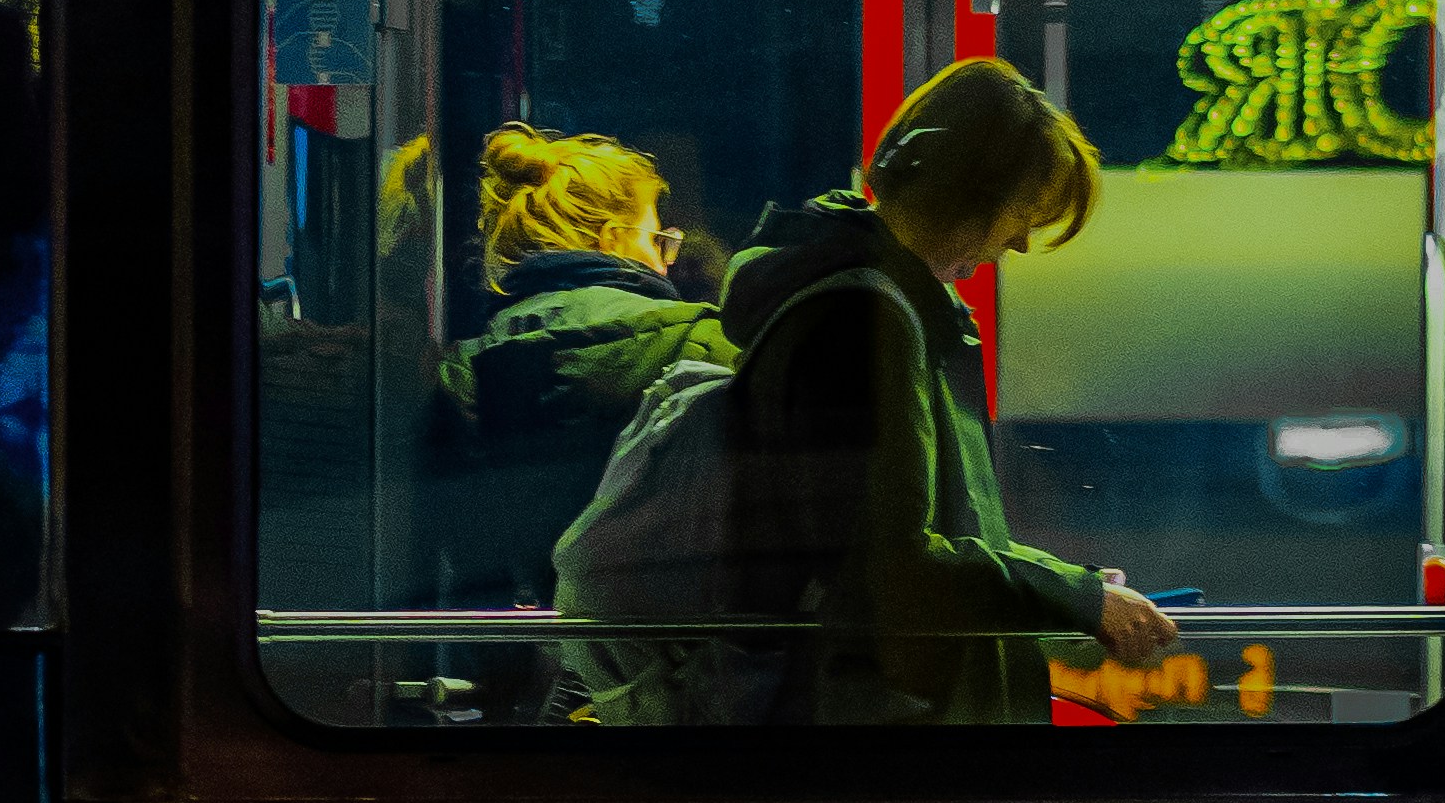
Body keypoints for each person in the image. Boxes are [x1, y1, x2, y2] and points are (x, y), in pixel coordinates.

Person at [563, 55, 1182, 725]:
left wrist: (1072, 591)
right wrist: (1074, 598)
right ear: (969, 192)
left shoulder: (866, 306)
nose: (1023, 243)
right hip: (878, 731)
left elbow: (905, 536)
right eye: (1025, 213)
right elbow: (891, 569)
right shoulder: (865, 320)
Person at [430, 124, 723, 608]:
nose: (667, 262)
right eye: (659, 241)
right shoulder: (700, 340)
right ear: (613, 239)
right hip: (662, 636)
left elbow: (460, 541)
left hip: (523, 635)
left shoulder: (460, 370)